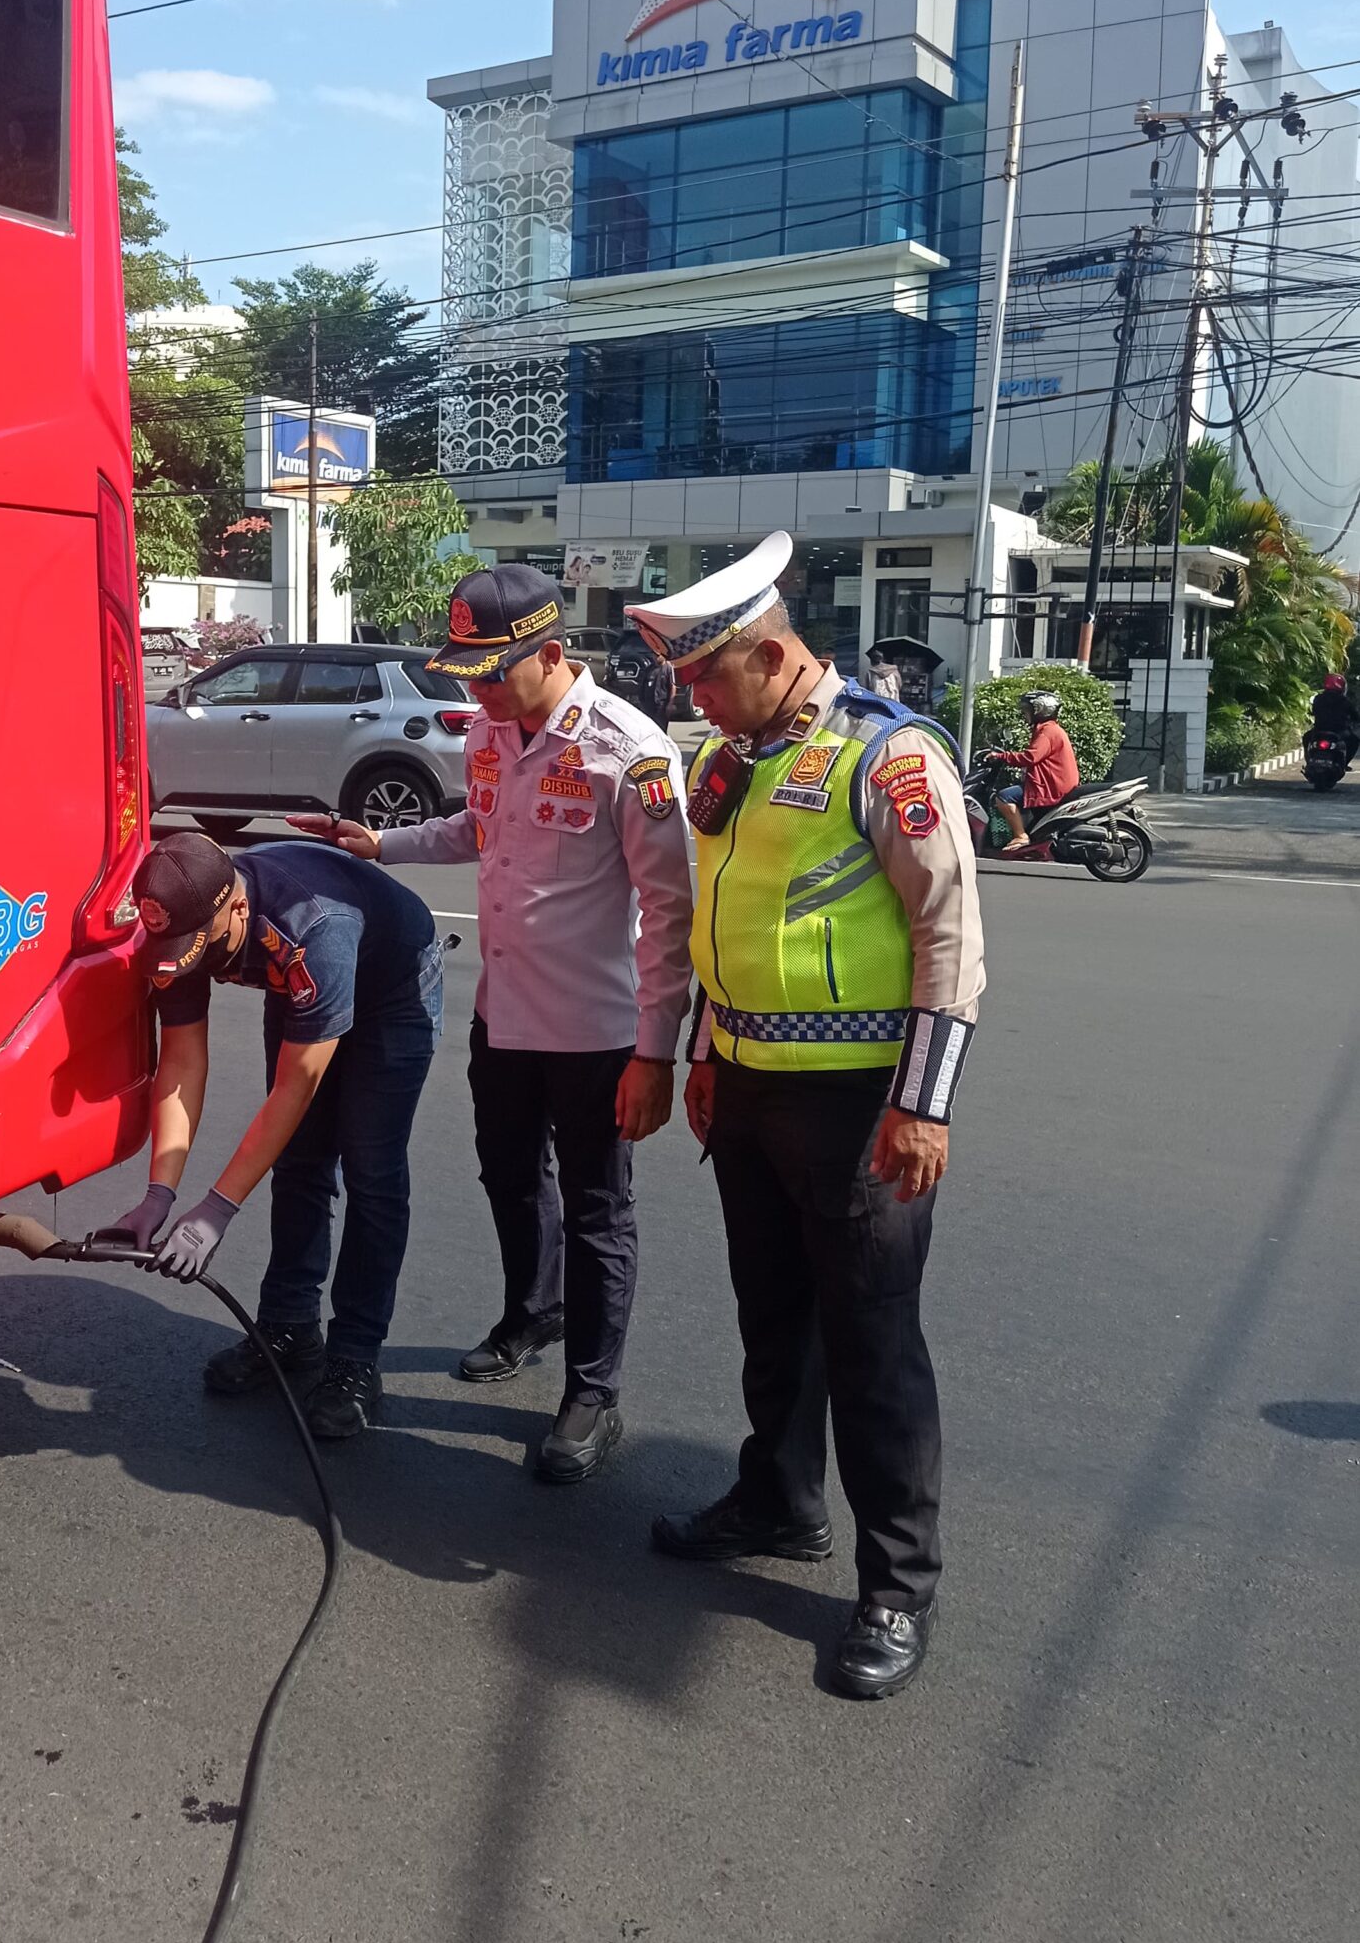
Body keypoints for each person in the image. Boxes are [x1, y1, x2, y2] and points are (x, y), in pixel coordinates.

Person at [630, 531, 984, 1700]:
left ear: (771, 654)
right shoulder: (739, 757)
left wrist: (921, 1108)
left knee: (874, 1343)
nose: (694, 701)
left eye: (705, 677)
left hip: (862, 1105)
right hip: (747, 1086)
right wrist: (704, 1053)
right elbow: (728, 918)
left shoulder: (886, 757)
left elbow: (948, 937)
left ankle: (897, 1582)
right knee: (772, 1314)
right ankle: (779, 1502)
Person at [295, 566, 693, 1482]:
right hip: (502, 1015)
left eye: (490, 672)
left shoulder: (626, 752)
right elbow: (476, 831)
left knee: (598, 1209)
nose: (472, 690)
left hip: (597, 1030)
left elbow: (670, 911)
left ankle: (593, 1393)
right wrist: (382, 842)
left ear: (551, 654)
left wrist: (656, 1050)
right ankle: (532, 1311)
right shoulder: (489, 734)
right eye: (466, 672)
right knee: (510, 1177)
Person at [108, 831, 443, 1440]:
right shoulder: (181, 928)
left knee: (372, 1170)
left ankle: (355, 1359)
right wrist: (160, 1193)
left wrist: (214, 1211)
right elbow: (181, 1064)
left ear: (235, 906)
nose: (186, 956)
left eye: (197, 945)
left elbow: (295, 1088)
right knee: (298, 1161)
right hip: (301, 986)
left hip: (389, 988)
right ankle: (289, 1327)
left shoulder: (312, 927)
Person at [993, 688, 1080, 850]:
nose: (1025, 715)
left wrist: (1001, 756)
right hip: (1055, 783)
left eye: (1028, 710)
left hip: (1050, 786)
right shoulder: (1050, 729)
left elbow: (1030, 757)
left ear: (1040, 710)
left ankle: (1020, 836)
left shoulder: (1047, 732)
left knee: (1004, 797)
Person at [604, 624, 675, 728]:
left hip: (661, 703)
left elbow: (673, 685)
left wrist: (670, 703)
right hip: (648, 703)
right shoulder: (649, 667)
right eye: (654, 654)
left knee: (661, 728)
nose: (654, 656)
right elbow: (642, 685)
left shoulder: (668, 668)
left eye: (657, 654)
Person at [1307, 671, 1359, 755]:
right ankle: (1345, 763)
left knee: (1306, 738)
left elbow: (1313, 711)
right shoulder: (1344, 701)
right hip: (1339, 731)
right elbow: (1354, 715)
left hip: (1319, 730)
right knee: (1354, 741)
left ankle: (1308, 759)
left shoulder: (1318, 698)